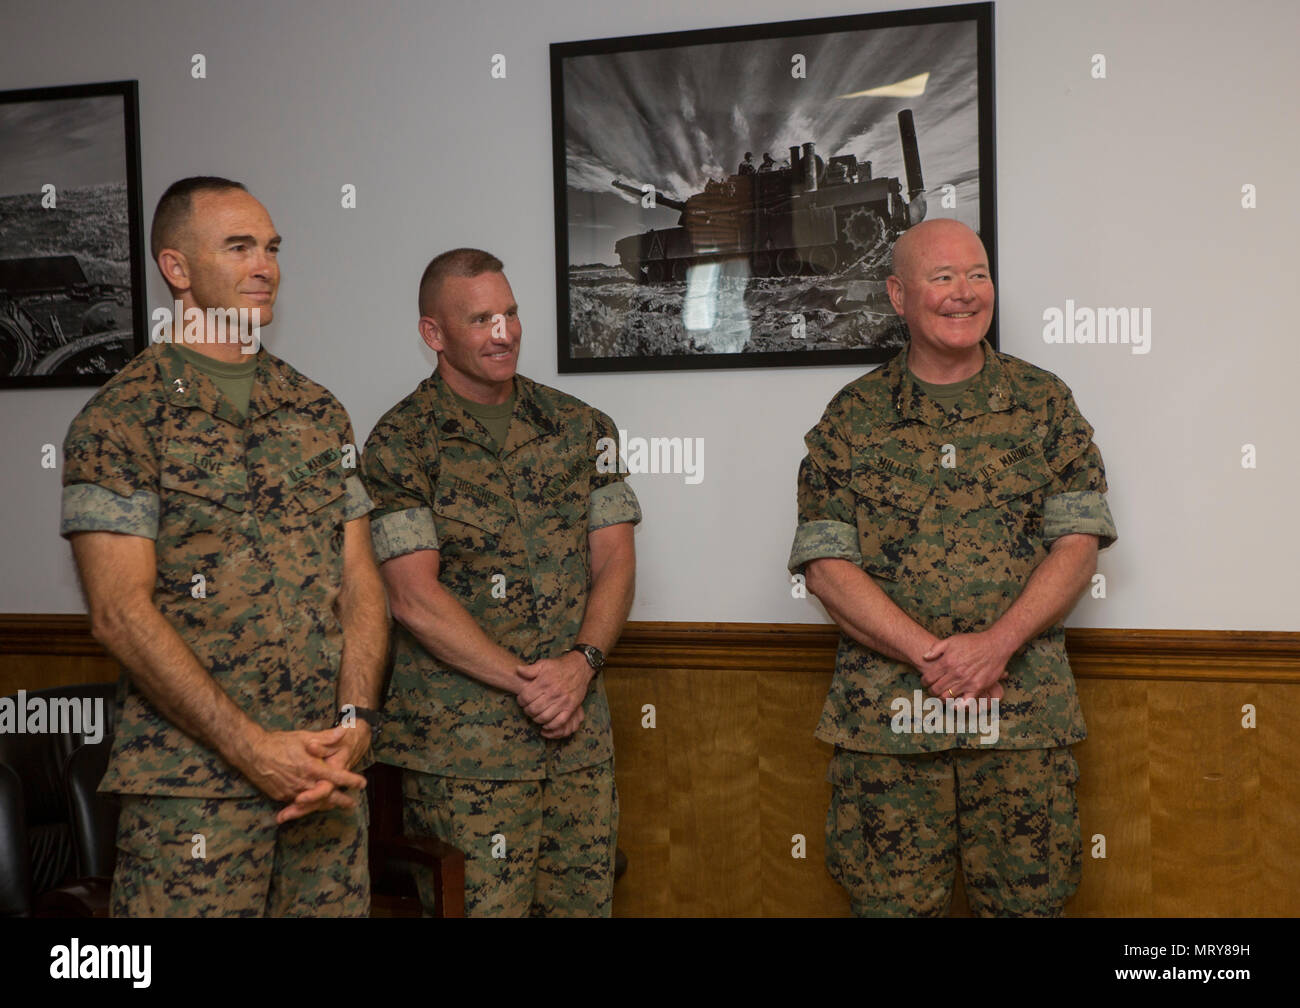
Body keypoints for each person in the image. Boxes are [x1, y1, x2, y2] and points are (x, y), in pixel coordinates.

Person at [61, 177, 388, 917]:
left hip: (324, 785)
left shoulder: (316, 410)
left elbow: (361, 581)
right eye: (239, 247)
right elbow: (117, 613)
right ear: (177, 269)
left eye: (271, 248)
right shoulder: (121, 421)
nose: (264, 265)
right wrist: (252, 751)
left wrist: (355, 723)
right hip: (192, 796)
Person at [788, 218, 1116, 917]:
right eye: (942, 278)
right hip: (890, 729)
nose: (964, 294)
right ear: (898, 295)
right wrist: (936, 658)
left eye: (978, 275)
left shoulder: (1045, 404)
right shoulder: (852, 417)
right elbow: (824, 564)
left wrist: (994, 648)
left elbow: (1079, 542)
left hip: (1020, 723)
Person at [362, 248, 640, 917]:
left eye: (510, 313)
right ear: (435, 333)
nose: (504, 332)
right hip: (466, 758)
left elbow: (617, 562)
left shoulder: (581, 428)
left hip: (576, 741)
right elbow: (412, 597)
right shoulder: (399, 444)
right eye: (481, 318)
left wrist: (581, 665)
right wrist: (531, 682)